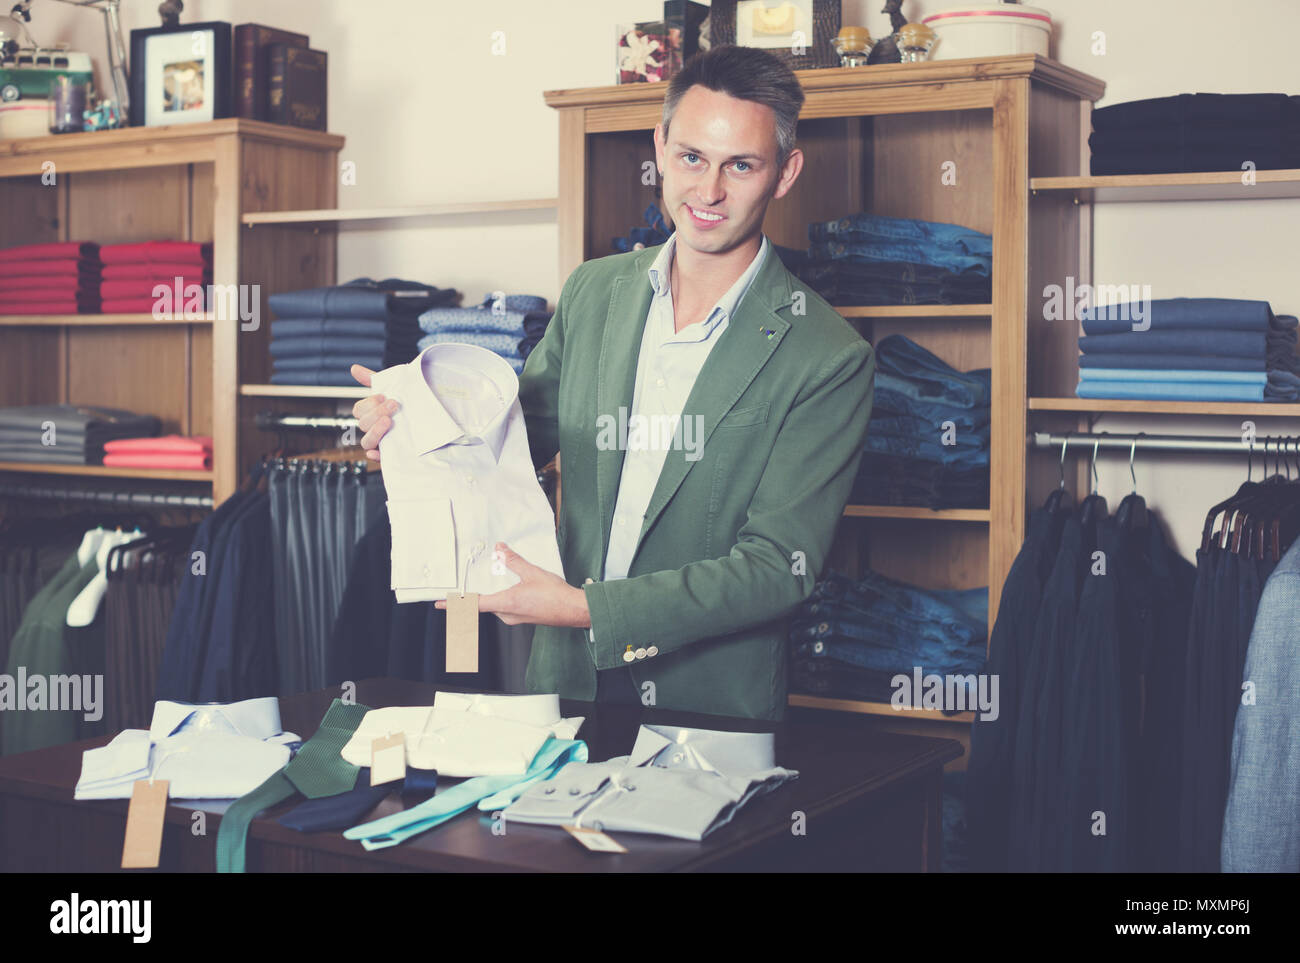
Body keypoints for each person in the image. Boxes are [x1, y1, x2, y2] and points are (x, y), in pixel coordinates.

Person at [350, 45, 874, 720]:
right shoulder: (593, 293)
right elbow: (511, 444)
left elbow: (778, 568)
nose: (708, 191)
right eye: (689, 157)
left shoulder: (828, 355)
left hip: (710, 707)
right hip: (564, 685)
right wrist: (408, 429)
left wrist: (581, 608)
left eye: (740, 165)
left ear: (784, 173)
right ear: (658, 146)